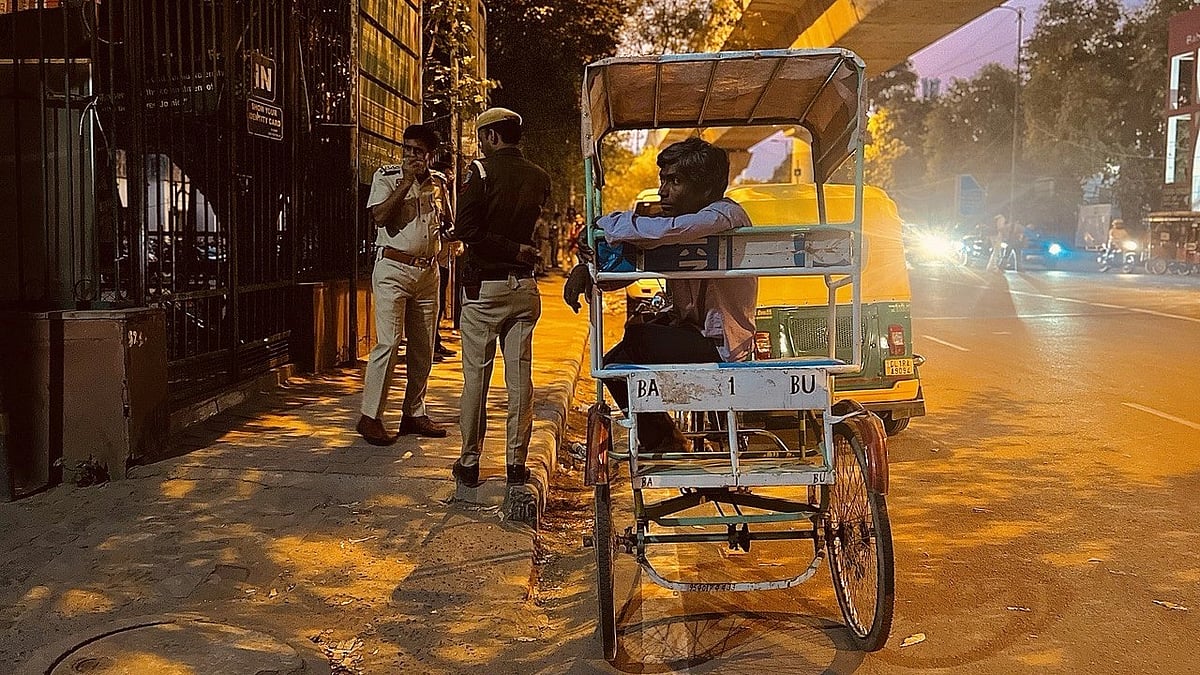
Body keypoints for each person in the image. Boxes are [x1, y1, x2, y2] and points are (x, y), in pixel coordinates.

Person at [564, 137, 755, 452]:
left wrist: (603, 224)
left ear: (706, 188)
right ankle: (665, 438)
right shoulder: (680, 228)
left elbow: (671, 230)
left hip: (722, 346)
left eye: (675, 182)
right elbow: (620, 271)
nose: (663, 191)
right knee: (614, 363)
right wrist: (587, 267)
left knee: (638, 337)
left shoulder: (725, 216)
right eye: (663, 180)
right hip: (694, 335)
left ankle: (667, 439)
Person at [449, 107, 550, 517]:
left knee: (476, 378)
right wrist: (518, 250)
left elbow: (466, 231)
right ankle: (515, 465)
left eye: (482, 137)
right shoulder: (539, 176)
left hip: (484, 290)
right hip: (523, 288)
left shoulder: (480, 171)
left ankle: (469, 462)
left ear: (491, 137)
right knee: (520, 379)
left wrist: (508, 249)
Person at [356, 124, 450, 445]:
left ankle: (413, 412)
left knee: (423, 347)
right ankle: (370, 416)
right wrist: (406, 182)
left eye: (417, 151)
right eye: (406, 149)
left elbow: (445, 223)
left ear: (430, 155)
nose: (410, 155)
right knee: (388, 342)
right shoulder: (386, 177)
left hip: (427, 273)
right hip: (393, 269)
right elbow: (380, 217)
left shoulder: (438, 184)